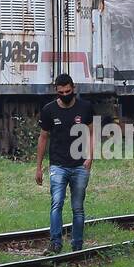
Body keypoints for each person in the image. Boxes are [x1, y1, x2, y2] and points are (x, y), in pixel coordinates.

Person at [35, 73, 94, 253]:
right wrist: (38, 167)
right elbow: (43, 137)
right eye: (61, 92)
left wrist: (90, 156)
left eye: (68, 91)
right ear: (56, 91)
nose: (65, 94)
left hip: (80, 165)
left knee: (78, 208)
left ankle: (77, 245)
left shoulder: (86, 108)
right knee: (57, 203)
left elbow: (91, 133)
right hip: (58, 165)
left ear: (73, 88)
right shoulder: (49, 110)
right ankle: (55, 242)